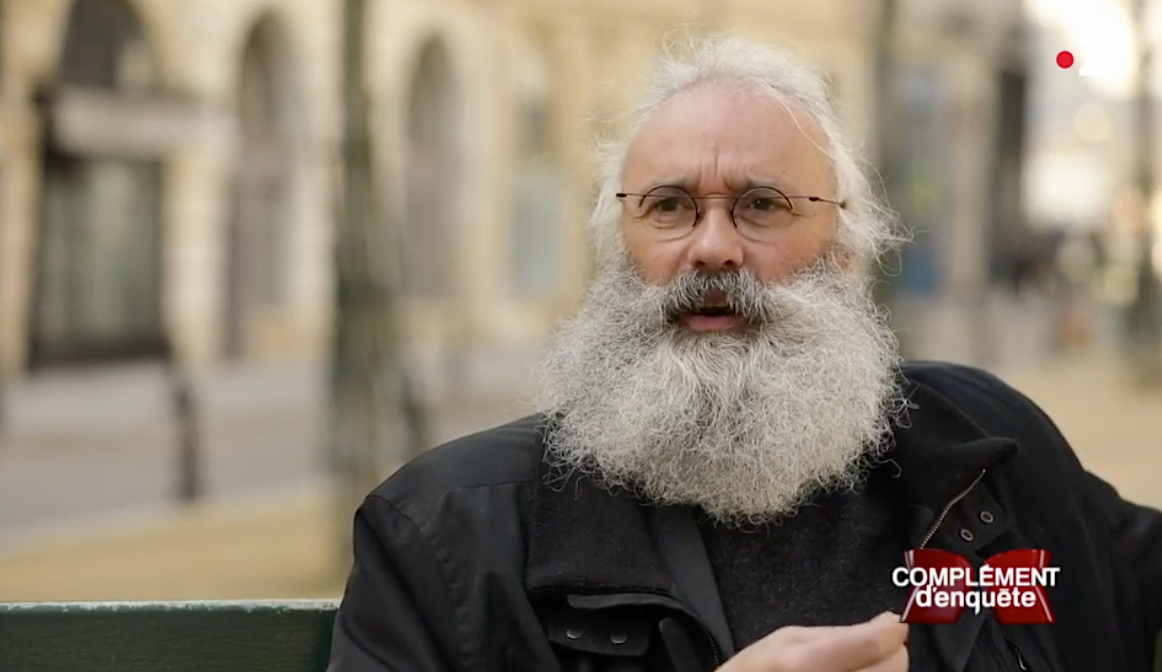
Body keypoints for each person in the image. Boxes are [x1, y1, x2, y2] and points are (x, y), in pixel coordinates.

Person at [326, 34, 1162, 672]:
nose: (714, 248)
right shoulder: (446, 535)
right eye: (669, 206)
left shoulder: (984, 458)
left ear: (843, 248)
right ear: (621, 246)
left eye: (762, 205)